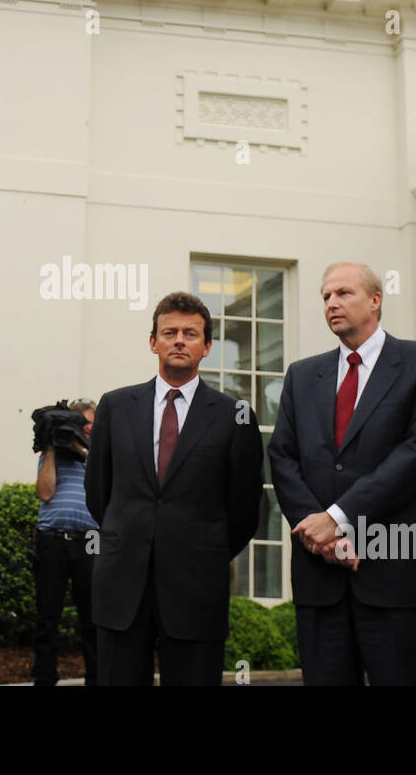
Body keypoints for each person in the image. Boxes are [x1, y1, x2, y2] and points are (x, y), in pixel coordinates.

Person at [268, 261, 416, 686]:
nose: (332, 302)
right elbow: (283, 458)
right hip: (321, 576)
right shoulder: (301, 375)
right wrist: (319, 534)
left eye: (343, 293)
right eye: (326, 296)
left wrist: (336, 517)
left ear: (375, 300)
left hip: (399, 565)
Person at [85, 292, 263, 686]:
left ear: (207, 346)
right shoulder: (115, 407)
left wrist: (203, 547)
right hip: (121, 586)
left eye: (190, 333)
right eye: (169, 332)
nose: (179, 340)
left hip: (197, 588)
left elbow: (246, 510)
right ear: (153, 342)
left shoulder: (235, 416)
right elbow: (99, 494)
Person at [32, 398, 99, 686]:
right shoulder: (49, 456)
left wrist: (85, 450)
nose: (85, 428)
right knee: (47, 618)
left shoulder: (100, 456)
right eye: (81, 423)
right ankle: (45, 680)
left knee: (93, 619)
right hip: (52, 540)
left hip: (90, 542)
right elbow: (45, 493)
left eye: (91, 425)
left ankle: (97, 679)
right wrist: (51, 447)